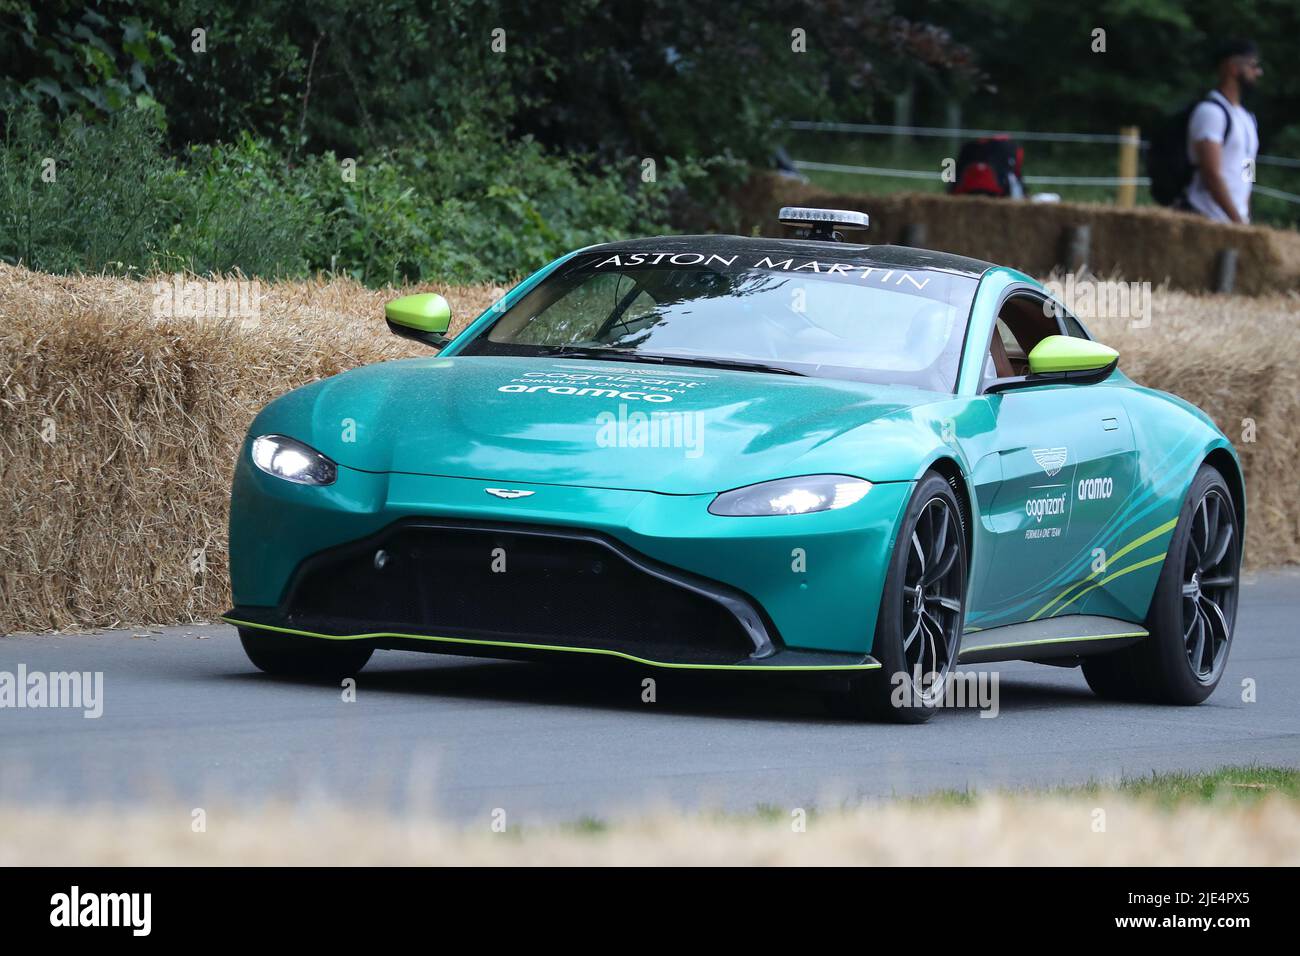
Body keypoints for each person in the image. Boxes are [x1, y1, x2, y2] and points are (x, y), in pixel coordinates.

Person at [1184, 39, 1262, 224]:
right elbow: (1211, 173)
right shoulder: (1211, 112)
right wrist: (1237, 221)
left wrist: (1245, 215)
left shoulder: (1248, 119)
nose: (1258, 72)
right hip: (1208, 218)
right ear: (1233, 67)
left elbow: (1248, 167)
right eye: (1252, 65)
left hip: (1235, 221)